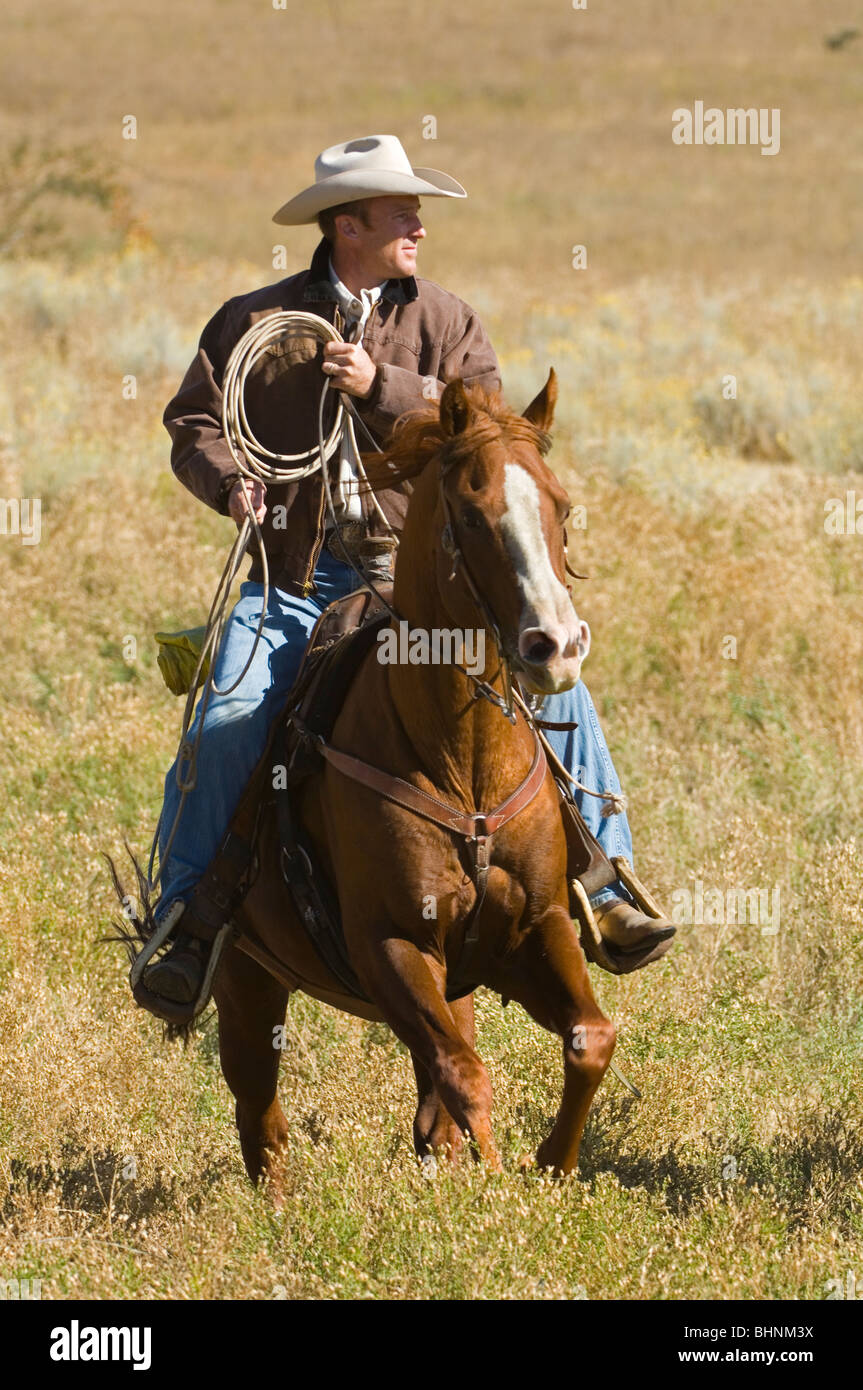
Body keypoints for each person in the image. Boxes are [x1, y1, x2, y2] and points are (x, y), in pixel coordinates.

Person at [142, 134, 672, 1019]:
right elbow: (194, 418)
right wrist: (231, 480)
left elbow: (489, 426)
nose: (418, 226)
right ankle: (187, 919)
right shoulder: (252, 320)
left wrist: (380, 383)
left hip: (414, 584)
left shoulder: (445, 321)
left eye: (416, 212)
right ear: (347, 226)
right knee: (231, 712)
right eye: (400, 213)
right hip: (294, 581)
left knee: (560, 688)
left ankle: (603, 885)